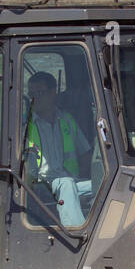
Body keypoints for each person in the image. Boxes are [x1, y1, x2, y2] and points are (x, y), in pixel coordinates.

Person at [21, 71, 92, 228]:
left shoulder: (67, 120)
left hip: (71, 182)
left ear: (53, 93)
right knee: (65, 184)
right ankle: (76, 233)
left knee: (101, 186)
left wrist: (90, 172)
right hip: (41, 185)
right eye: (31, 93)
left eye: (39, 93)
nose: (34, 98)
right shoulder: (25, 125)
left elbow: (85, 153)